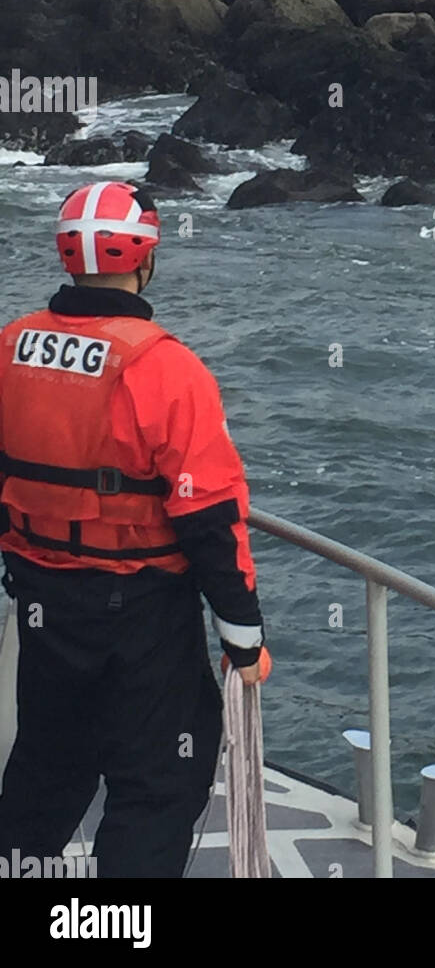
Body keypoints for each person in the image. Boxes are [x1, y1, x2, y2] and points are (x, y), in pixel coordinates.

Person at [0, 180, 268, 878]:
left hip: (41, 606)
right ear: (146, 262)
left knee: (46, 768)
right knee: (157, 784)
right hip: (142, 616)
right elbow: (210, 517)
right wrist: (244, 640)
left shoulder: (11, 348)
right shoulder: (166, 369)